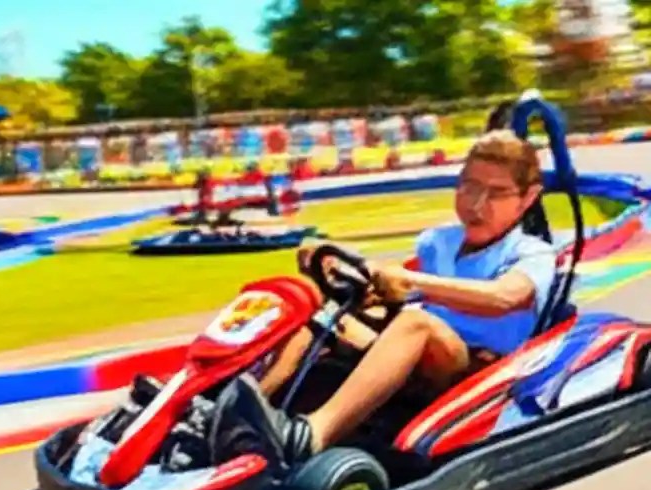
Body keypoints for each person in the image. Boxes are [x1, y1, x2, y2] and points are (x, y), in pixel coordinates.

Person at [235, 129, 559, 465]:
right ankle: (246, 408)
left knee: (416, 323)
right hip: (420, 352)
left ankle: (313, 434)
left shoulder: (531, 252)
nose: (476, 204)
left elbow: (504, 297)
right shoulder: (439, 242)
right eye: (470, 186)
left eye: (497, 193)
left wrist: (412, 281)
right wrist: (350, 276)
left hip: (480, 367)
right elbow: (398, 288)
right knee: (318, 310)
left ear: (528, 197)